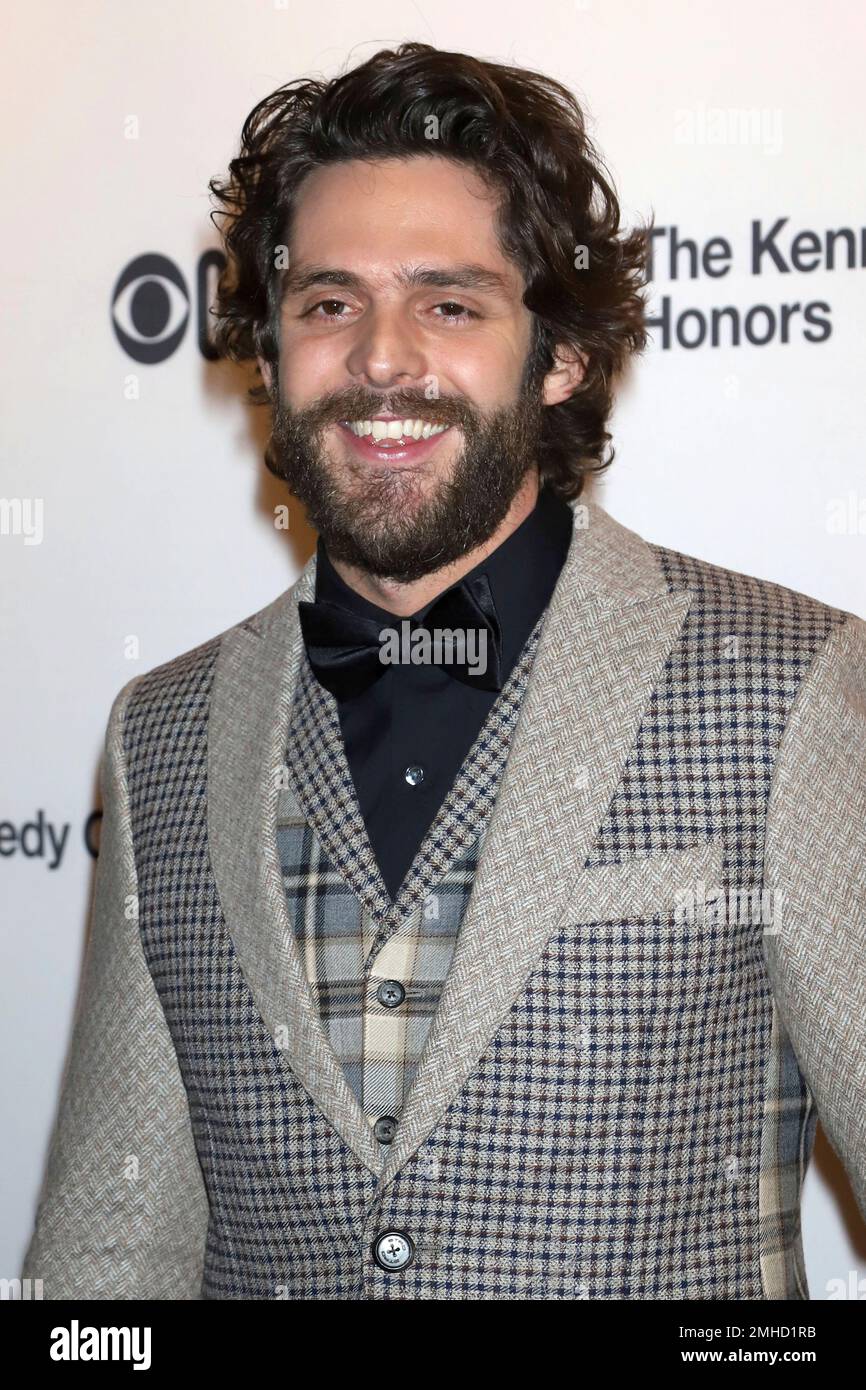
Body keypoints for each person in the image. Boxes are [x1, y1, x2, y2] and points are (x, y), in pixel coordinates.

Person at [23, 41, 866, 1300]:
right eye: (327, 302)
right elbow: (112, 1250)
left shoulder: (787, 686)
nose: (378, 359)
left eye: (449, 303)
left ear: (561, 356)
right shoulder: (165, 733)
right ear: (269, 347)